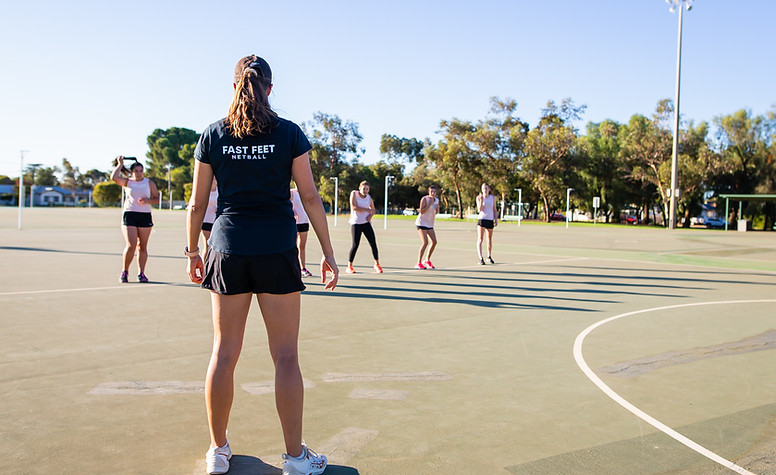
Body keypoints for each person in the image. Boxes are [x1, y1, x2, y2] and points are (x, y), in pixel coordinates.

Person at [185, 55, 338, 475]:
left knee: (224, 352)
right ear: (270, 89)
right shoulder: (288, 133)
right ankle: (294, 459)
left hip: (227, 249)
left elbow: (198, 203)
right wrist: (327, 253)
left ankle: (218, 452)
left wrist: (192, 252)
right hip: (275, 250)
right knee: (286, 355)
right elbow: (309, 198)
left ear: (234, 87)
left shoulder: (214, 134)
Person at [111, 157, 159, 283]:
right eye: (136, 171)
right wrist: (120, 164)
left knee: (142, 247)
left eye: (141, 170)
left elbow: (157, 199)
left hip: (144, 216)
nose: (139, 173)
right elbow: (114, 178)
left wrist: (147, 201)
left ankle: (141, 273)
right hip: (130, 214)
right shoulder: (128, 182)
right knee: (131, 245)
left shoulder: (149, 183)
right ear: (132, 172)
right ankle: (125, 271)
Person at [346, 181, 382, 274]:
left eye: (367, 189)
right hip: (356, 223)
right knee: (355, 244)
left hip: (366, 223)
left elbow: (373, 209)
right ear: (359, 188)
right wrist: (367, 210)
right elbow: (354, 207)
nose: (365, 191)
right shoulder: (354, 194)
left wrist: (370, 216)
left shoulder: (369, 198)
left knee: (373, 243)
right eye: (364, 189)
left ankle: (377, 264)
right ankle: (349, 266)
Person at [414, 185, 439, 269]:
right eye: (431, 191)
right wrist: (429, 204)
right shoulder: (425, 199)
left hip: (430, 224)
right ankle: (418, 262)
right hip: (421, 223)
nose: (433, 193)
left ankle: (427, 260)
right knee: (425, 242)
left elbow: (436, 212)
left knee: (434, 241)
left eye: (434, 192)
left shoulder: (437, 200)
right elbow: (422, 211)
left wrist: (437, 208)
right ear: (429, 192)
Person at [290, 187, 313, 277]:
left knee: (302, 246)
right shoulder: (291, 192)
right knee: (292, 246)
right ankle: (292, 267)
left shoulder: (306, 192)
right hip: (293, 222)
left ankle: (303, 268)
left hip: (304, 221)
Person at [476, 183, 498, 265]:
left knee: (489, 239)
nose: (484, 190)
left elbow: (494, 209)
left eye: (486, 188)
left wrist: (495, 219)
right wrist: (481, 200)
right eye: (483, 188)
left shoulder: (492, 198)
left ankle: (489, 256)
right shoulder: (479, 198)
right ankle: (480, 258)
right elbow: (480, 209)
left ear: (489, 189)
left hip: (490, 219)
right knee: (480, 239)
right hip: (482, 219)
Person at [201, 177, 218, 256]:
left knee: (214, 246)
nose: (213, 181)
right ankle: (204, 266)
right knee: (208, 245)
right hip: (206, 221)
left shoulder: (219, 191)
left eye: (214, 179)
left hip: (216, 222)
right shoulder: (205, 192)